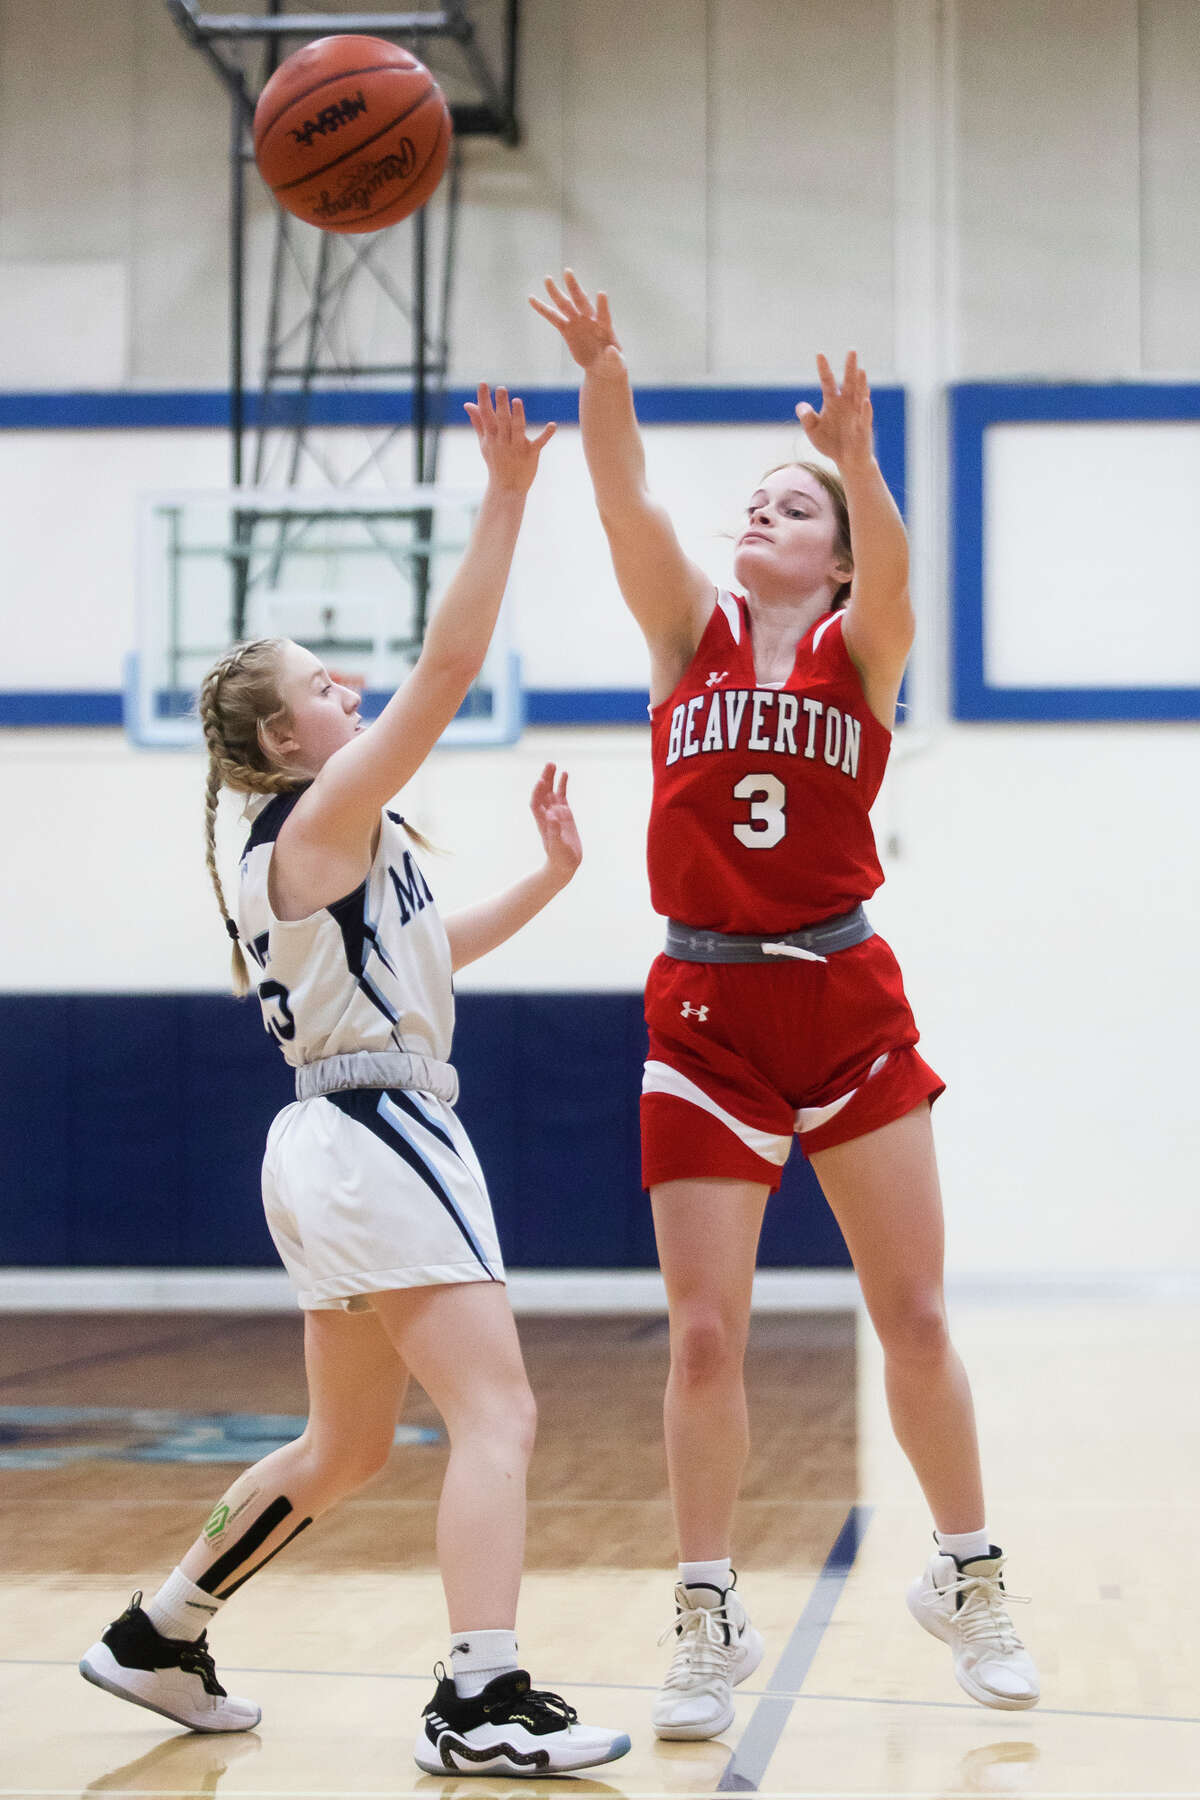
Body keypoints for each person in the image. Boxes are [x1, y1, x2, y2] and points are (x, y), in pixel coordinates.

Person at [79, 383, 630, 1778]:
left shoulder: (324, 849)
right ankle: (480, 1697)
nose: (357, 694)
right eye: (330, 689)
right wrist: (505, 497)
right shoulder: (317, 816)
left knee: (345, 1447)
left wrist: (552, 881)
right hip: (381, 1135)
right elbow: (446, 674)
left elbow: (436, 950)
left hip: (331, 1139)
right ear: (284, 741)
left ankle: (160, 1630)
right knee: (498, 1414)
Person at [530, 273, 1040, 1736]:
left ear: (827, 558)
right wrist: (606, 373)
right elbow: (625, 503)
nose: (764, 516)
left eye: (789, 508)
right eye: (755, 501)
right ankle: (705, 1611)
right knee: (704, 1336)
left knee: (917, 1314)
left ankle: (971, 1572)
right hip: (703, 1009)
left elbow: (894, 580)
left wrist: (860, 465)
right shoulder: (684, 635)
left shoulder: (861, 651)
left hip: (844, 992)